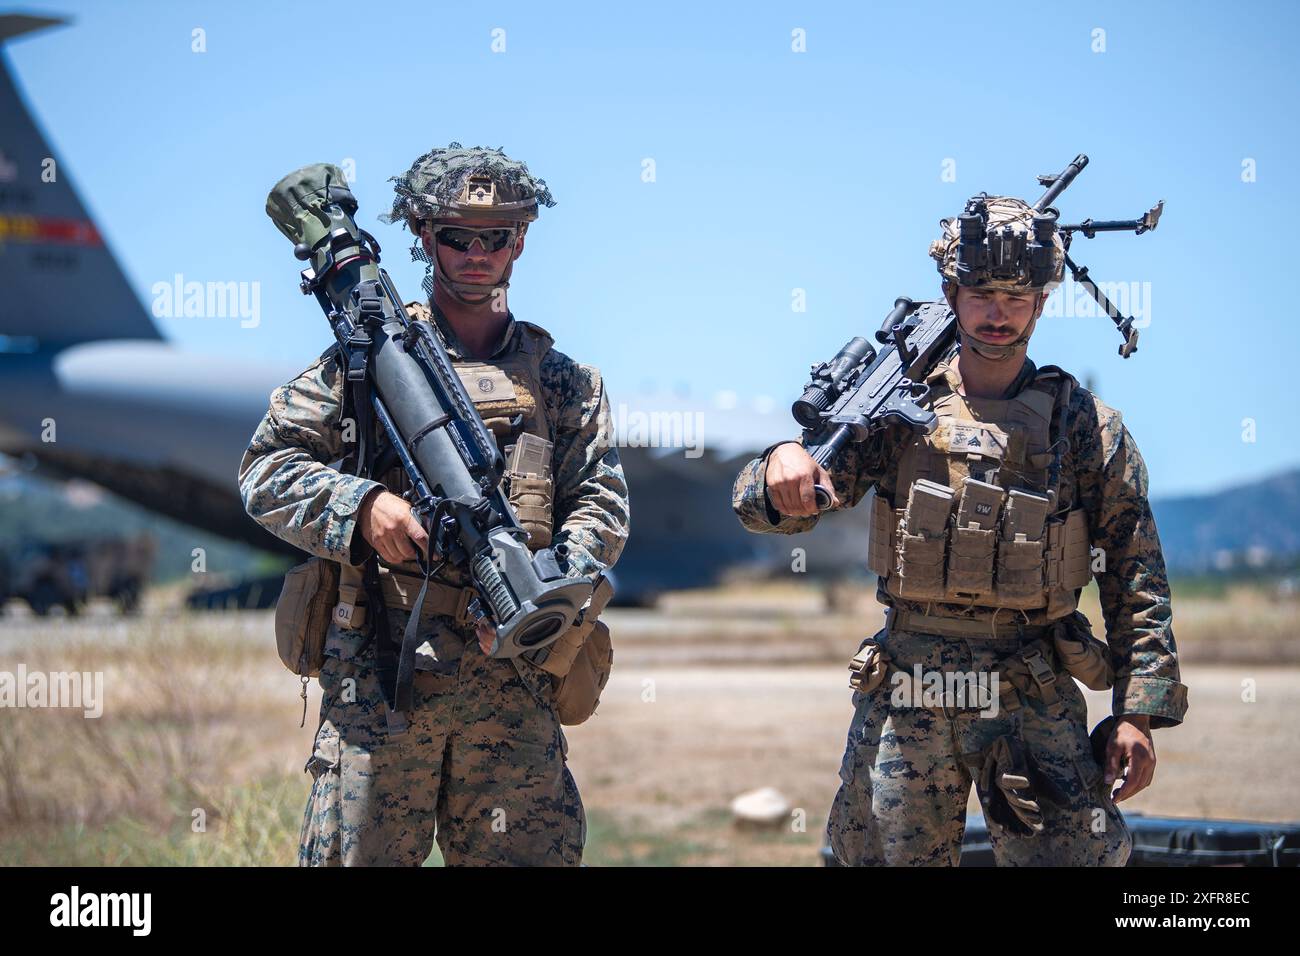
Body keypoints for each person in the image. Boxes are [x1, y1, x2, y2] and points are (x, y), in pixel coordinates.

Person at [731, 194, 1187, 866]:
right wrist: (778, 467)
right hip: (910, 691)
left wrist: (1136, 713)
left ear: (1042, 299)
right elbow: (764, 506)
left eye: (1016, 294)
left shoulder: (1087, 427)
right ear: (950, 294)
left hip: (1031, 688)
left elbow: (1135, 571)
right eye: (979, 292)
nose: (997, 312)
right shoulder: (894, 412)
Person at [240, 144, 629, 866]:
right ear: (423, 234)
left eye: (496, 236)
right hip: (383, 692)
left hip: (512, 696)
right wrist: (359, 507)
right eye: (456, 235)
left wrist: (538, 589)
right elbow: (264, 470)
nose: (476, 253)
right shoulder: (367, 360)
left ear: (521, 239)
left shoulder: (565, 381)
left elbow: (601, 504)